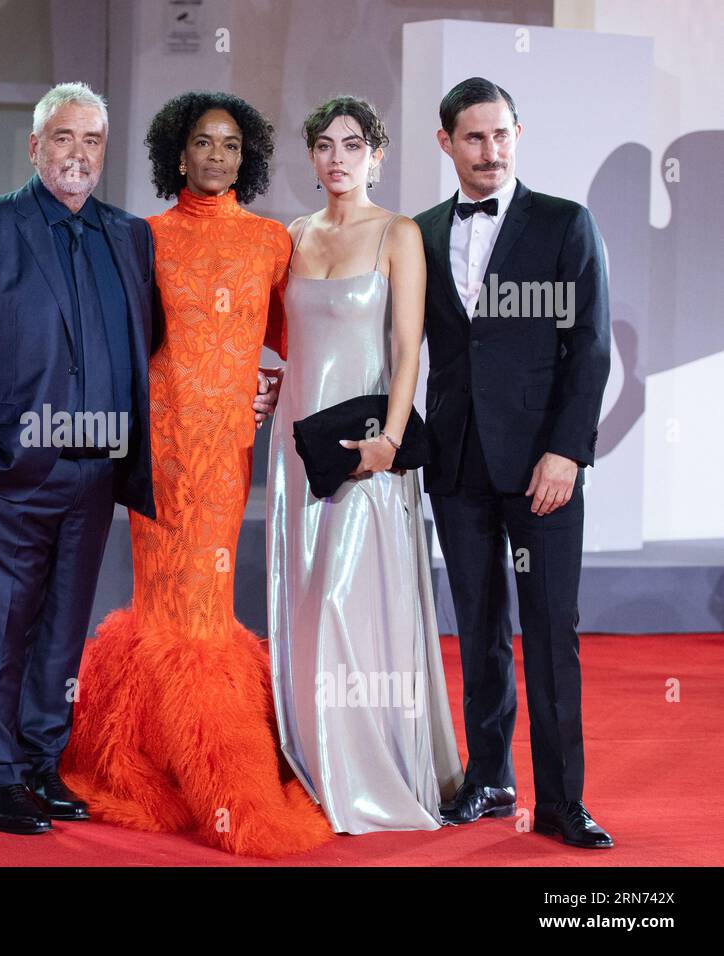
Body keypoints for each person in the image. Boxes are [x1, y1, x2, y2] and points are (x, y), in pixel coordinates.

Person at [60, 92, 331, 857]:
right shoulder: (142, 239)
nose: (219, 157)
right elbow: (120, 345)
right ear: (177, 154)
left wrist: (275, 386)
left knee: (206, 609)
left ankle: (211, 760)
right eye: (204, 144)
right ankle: (150, 757)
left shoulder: (273, 243)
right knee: (163, 603)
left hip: (225, 454)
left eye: (233, 146)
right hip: (163, 446)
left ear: (248, 160)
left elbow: (300, 340)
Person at [0, 82, 155, 835]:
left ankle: (40, 762)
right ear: (35, 146)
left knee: (62, 629)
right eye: (63, 138)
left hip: (93, 468)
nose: (78, 154)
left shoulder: (128, 235)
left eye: (91, 140)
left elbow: (141, 344)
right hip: (7, 469)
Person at [415, 78, 613, 848]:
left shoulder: (566, 223)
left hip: (542, 468)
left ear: (518, 134)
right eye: (474, 138)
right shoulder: (424, 232)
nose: (490, 151)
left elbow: (588, 346)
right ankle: (490, 779)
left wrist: (567, 451)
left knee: (550, 632)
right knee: (480, 629)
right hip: (459, 463)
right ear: (446, 144)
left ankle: (563, 803)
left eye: (502, 136)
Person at [264, 95, 464, 834]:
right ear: (312, 156)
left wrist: (388, 440)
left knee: (353, 601)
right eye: (324, 144)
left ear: (377, 154)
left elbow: (410, 350)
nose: (337, 157)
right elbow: (298, 344)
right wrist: (273, 385)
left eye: (353, 144)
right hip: (297, 448)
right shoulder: (293, 235)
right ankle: (318, 761)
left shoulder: (398, 234)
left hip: (367, 450)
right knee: (309, 598)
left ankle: (371, 769)